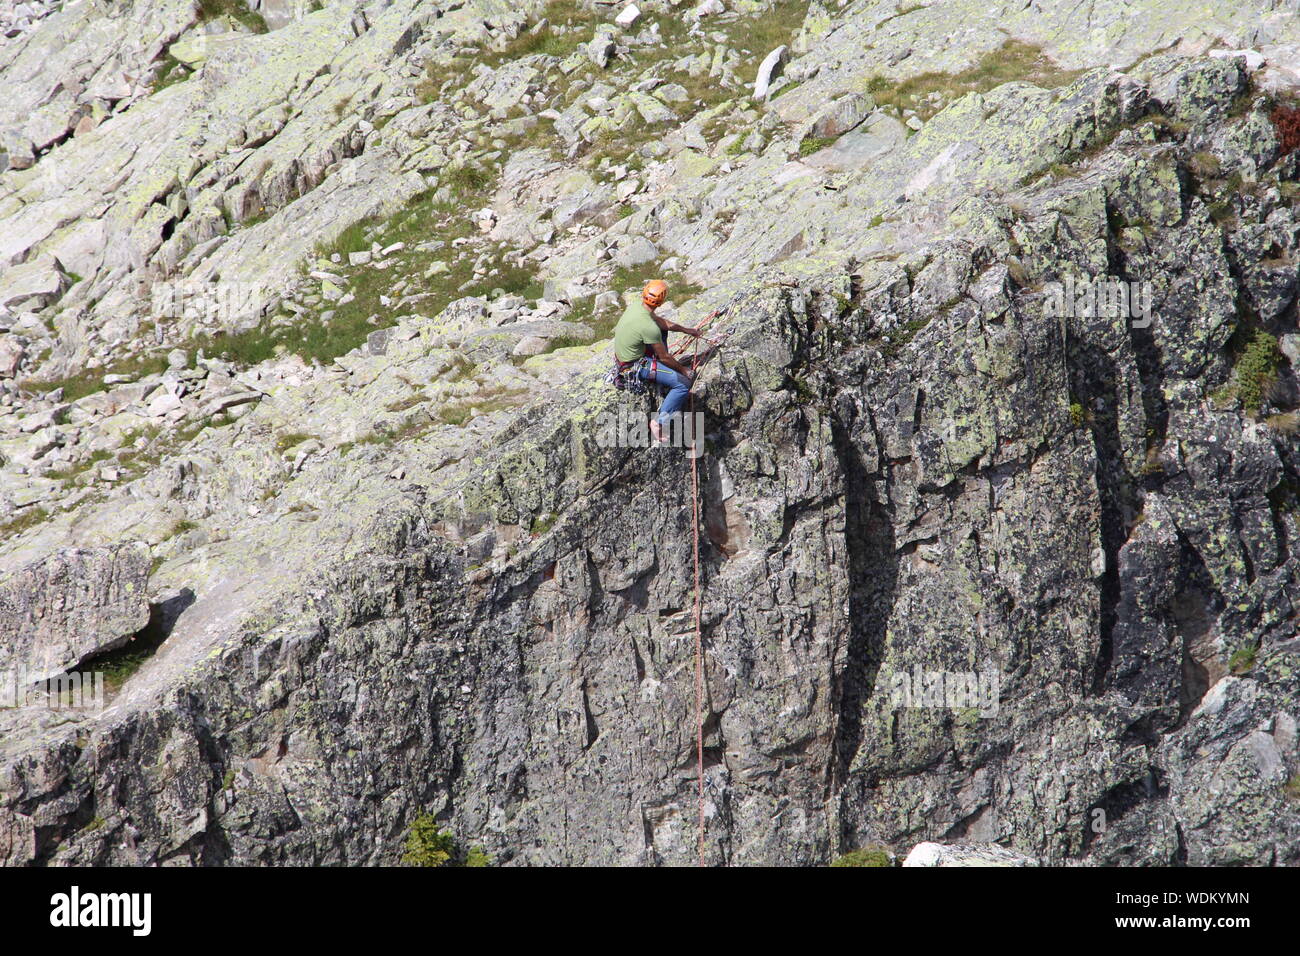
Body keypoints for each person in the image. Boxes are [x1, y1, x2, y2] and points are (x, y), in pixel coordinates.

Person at [611, 279, 703, 443]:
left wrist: (686, 330)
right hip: (634, 366)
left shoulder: (636, 307)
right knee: (683, 384)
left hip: (624, 357)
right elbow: (664, 357)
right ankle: (658, 422)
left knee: (662, 332)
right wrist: (684, 371)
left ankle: (667, 372)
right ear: (661, 302)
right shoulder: (649, 326)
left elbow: (662, 323)